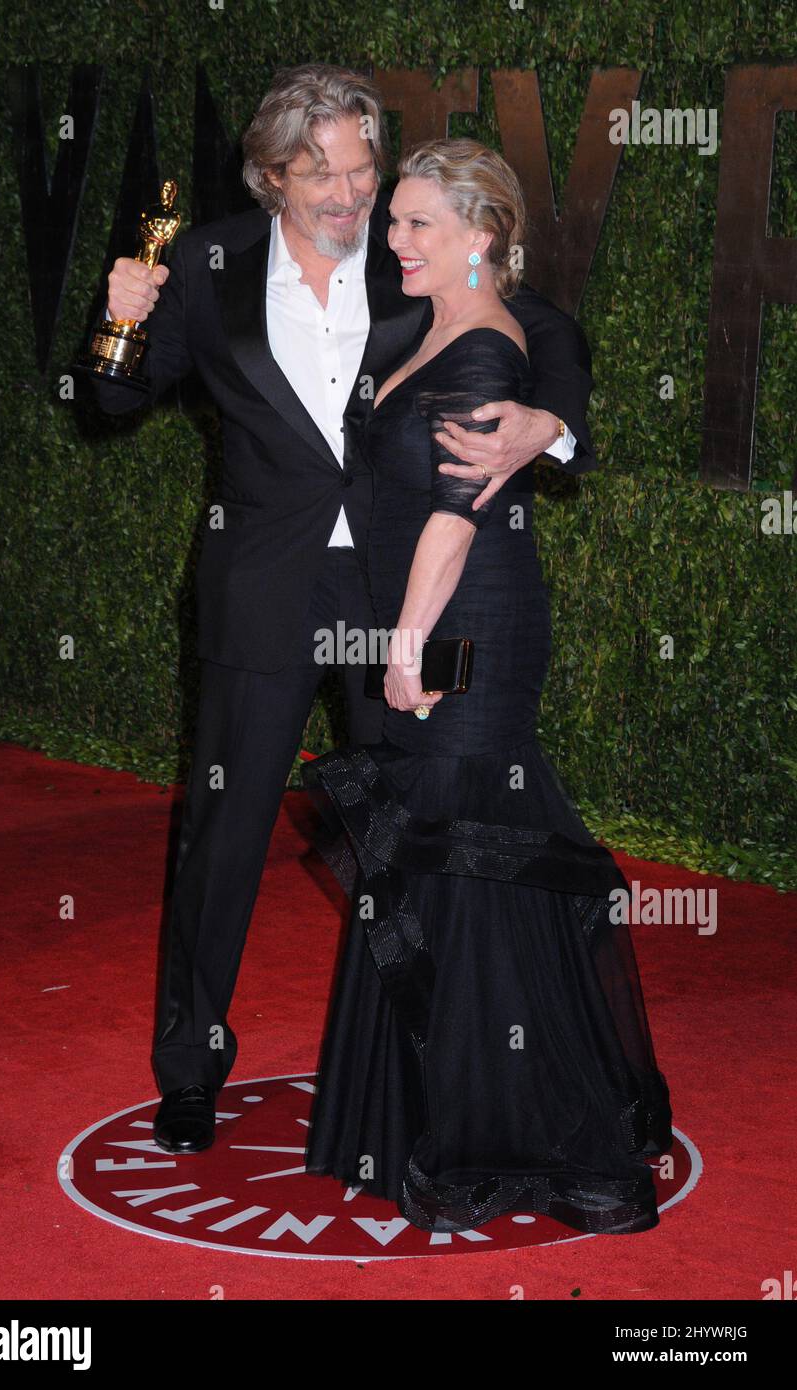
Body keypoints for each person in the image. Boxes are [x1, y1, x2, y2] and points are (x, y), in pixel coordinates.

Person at [83, 64, 597, 1156]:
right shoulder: (209, 259)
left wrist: (542, 425)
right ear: (270, 174)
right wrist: (114, 322)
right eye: (320, 173)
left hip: (399, 593)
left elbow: (541, 326)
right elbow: (116, 399)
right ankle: (190, 1063)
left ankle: (422, 1062)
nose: (348, 196)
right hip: (261, 592)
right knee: (222, 836)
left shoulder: (410, 255)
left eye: (363, 170)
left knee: (415, 830)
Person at [301, 137, 674, 1236]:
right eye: (393, 216)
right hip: (399, 615)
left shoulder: (482, 346)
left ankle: (523, 1126)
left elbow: (454, 516)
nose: (391, 235)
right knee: (426, 851)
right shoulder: (423, 313)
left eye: (419, 221)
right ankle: (422, 1110)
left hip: (460, 623)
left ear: (484, 237)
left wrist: (407, 641)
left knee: (471, 851)